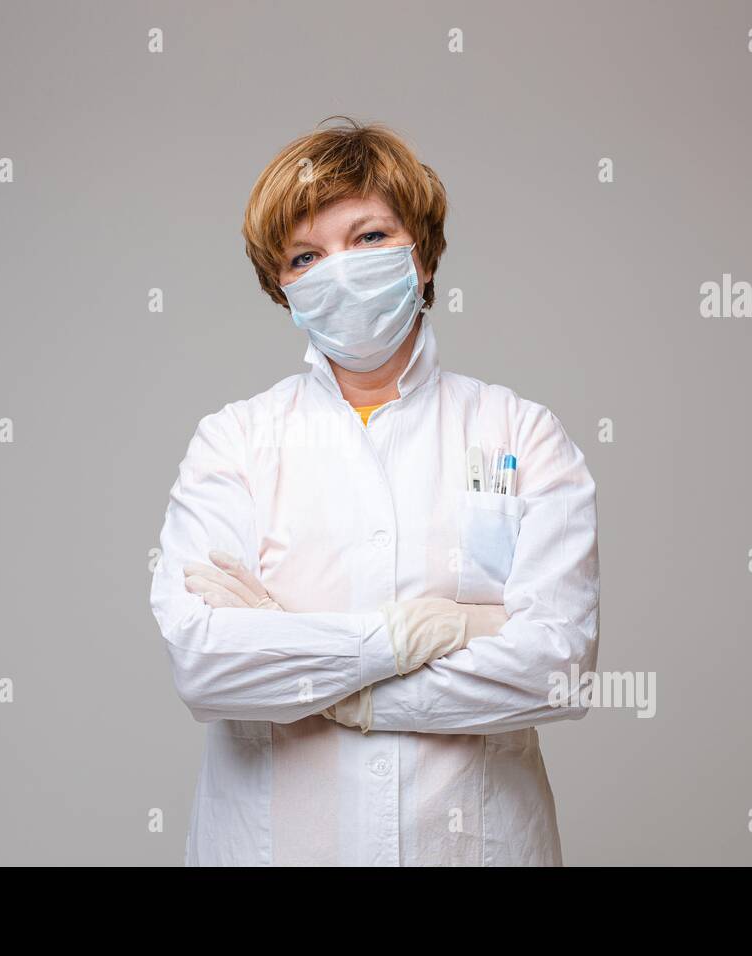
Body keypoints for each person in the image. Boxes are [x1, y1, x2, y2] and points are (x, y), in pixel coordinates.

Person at [149, 117, 600, 866]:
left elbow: (557, 672)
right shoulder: (234, 443)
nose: (342, 269)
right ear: (282, 290)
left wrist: (311, 667)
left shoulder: (522, 433)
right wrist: (428, 630)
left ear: (423, 257)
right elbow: (206, 663)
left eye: (368, 238)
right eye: (305, 255)